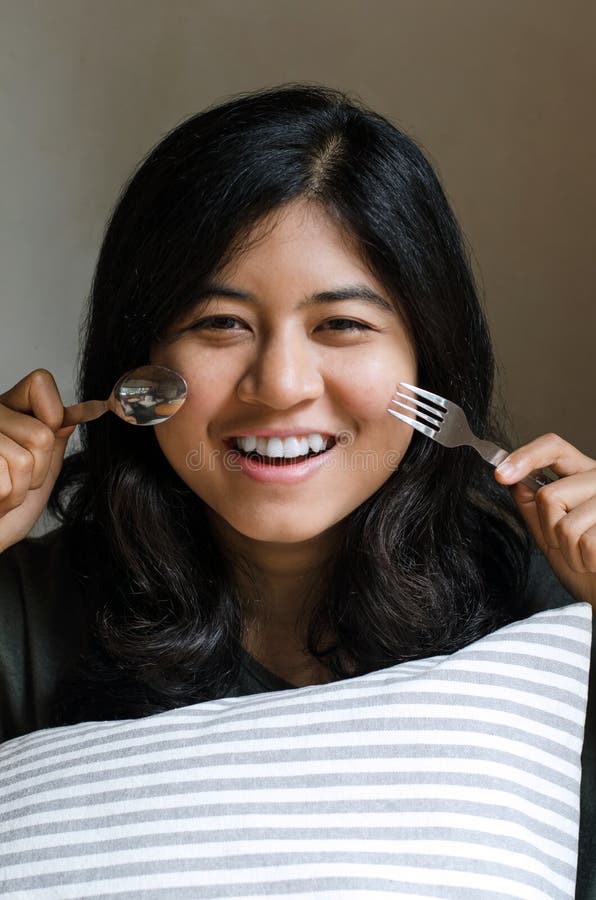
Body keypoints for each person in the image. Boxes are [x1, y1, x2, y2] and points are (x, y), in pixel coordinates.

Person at [0, 84, 594, 891]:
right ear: (137, 367)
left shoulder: (549, 607)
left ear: (429, 361)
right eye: (220, 323)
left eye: (341, 325)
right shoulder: (26, 616)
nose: (281, 386)